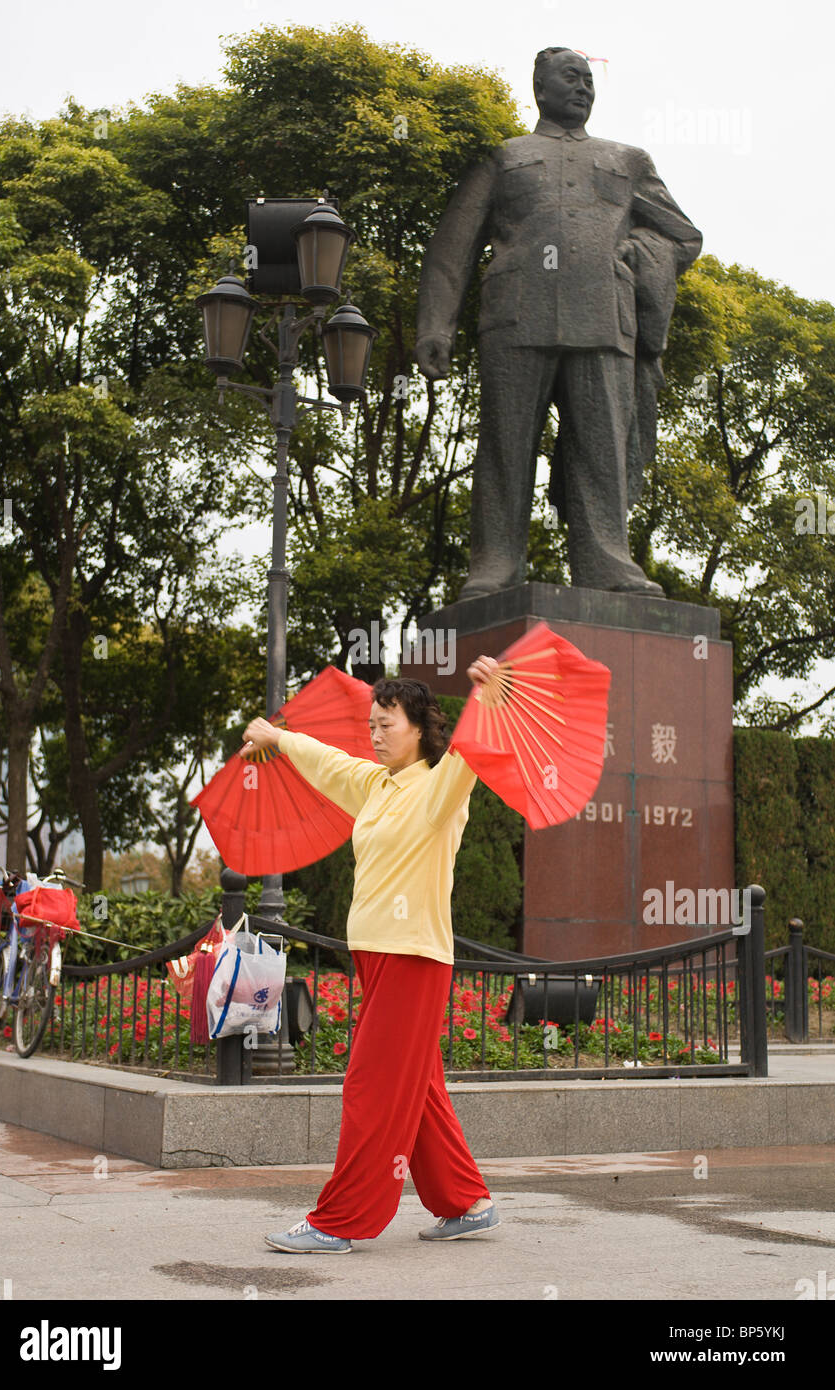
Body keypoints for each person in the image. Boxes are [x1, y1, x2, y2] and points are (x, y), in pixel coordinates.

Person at [415, 46, 702, 598]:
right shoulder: (503, 157)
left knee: (603, 450)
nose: (584, 87)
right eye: (571, 77)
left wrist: (635, 255)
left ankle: (607, 562)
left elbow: (682, 236)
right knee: (505, 446)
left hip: (603, 318)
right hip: (515, 319)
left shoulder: (628, 160)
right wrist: (435, 326)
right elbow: (453, 246)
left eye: (590, 80)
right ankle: (495, 564)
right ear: (540, 88)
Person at [239, 655, 501, 1253]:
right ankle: (467, 1202)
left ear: (419, 728)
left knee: (370, 1087)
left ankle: (340, 1221)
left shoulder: (441, 786)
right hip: (378, 957)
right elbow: (327, 763)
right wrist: (278, 738)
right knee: (419, 1089)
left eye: (387, 724)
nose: (375, 734)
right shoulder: (375, 784)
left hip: (414, 958)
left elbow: (471, 754)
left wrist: (485, 696)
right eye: (372, 724)